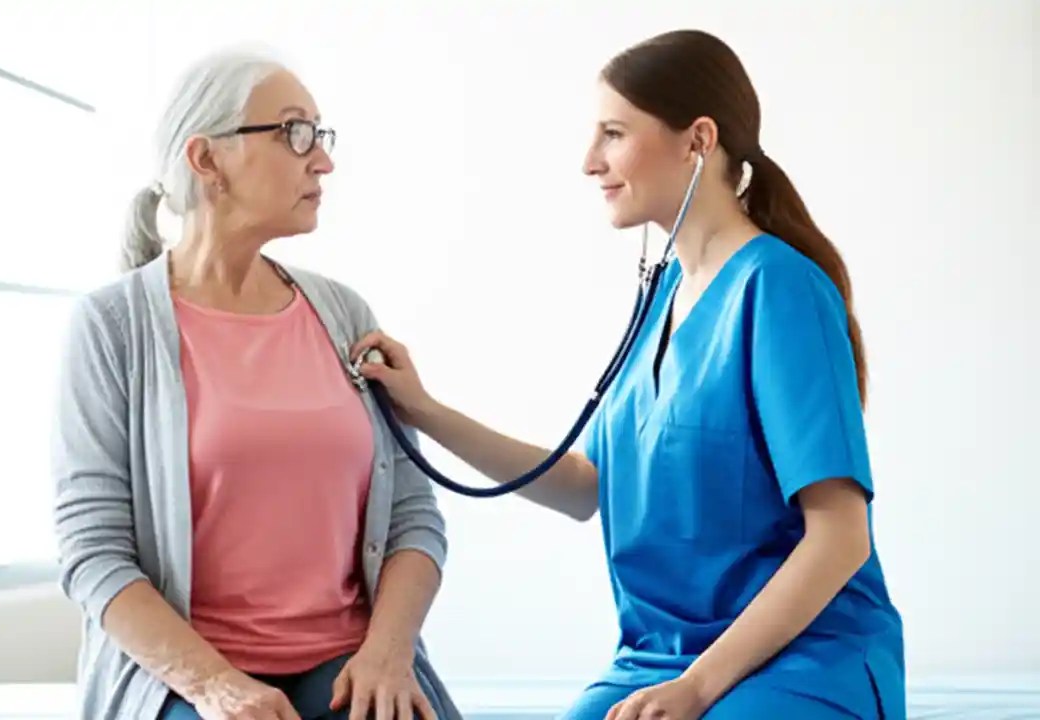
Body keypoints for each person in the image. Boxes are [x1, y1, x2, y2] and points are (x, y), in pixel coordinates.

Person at [353, 30, 905, 720]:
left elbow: (841, 536)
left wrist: (699, 687)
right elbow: (587, 487)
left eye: (613, 134)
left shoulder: (779, 290)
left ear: (697, 140)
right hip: (661, 657)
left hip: (801, 657)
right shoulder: (665, 294)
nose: (590, 162)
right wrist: (424, 410)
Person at [51, 49, 461, 720]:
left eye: (320, 136)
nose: (322, 160)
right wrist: (216, 686)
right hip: (185, 673)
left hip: (348, 659)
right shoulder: (111, 326)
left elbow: (415, 518)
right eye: (295, 132)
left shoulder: (343, 315)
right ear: (207, 160)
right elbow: (93, 554)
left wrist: (389, 653)